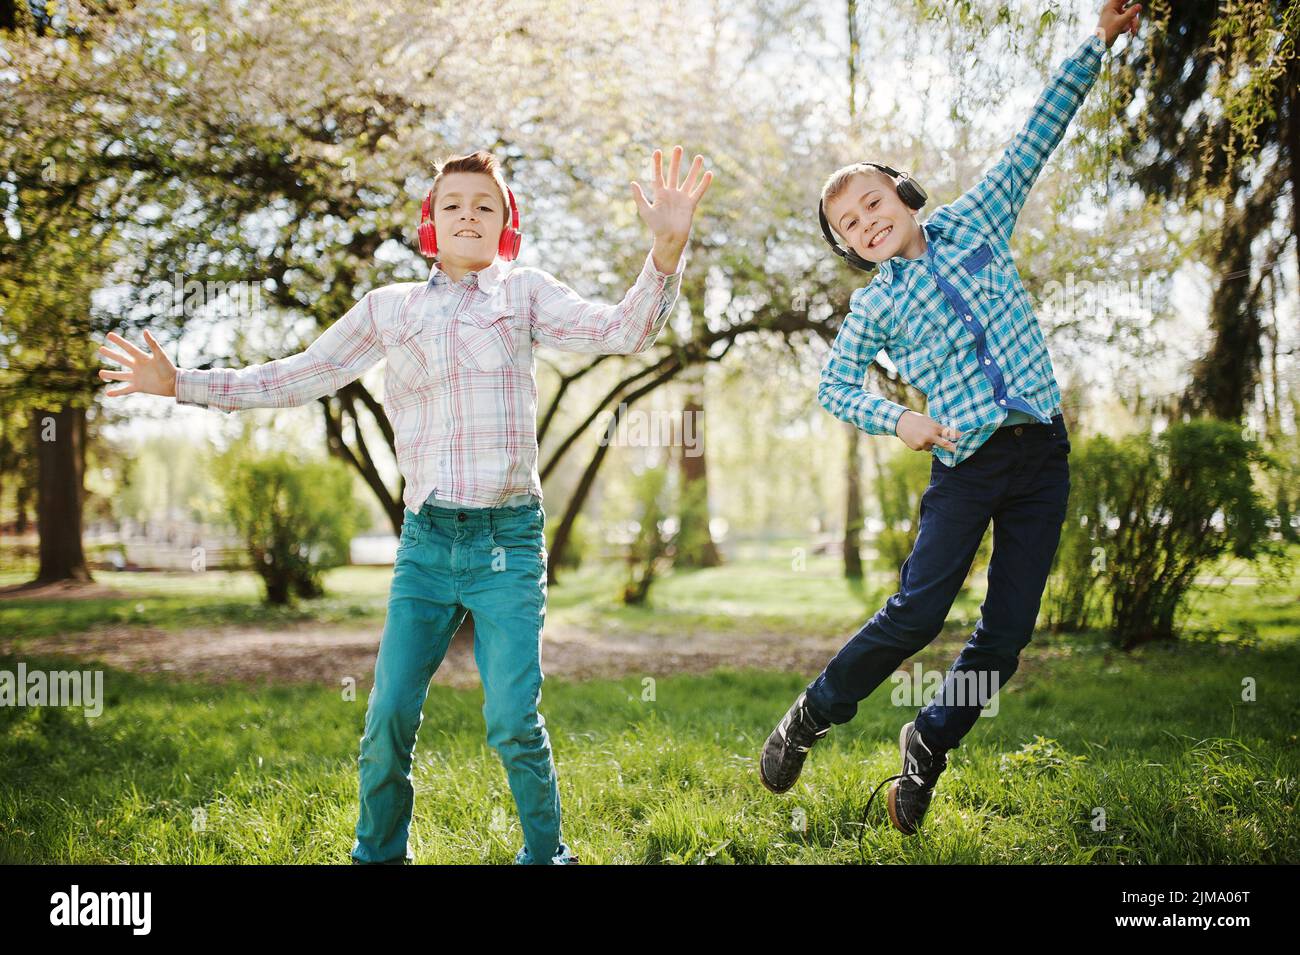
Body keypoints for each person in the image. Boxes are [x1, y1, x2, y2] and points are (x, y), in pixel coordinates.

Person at [98, 145, 713, 864]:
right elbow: (298, 375)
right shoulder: (389, 310)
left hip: (507, 541)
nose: (468, 215)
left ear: (506, 226)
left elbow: (620, 331)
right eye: (452, 204)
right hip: (426, 544)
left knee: (513, 719)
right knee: (387, 714)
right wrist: (182, 384)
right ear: (430, 222)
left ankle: (547, 855)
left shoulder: (526, 295)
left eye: (486, 205)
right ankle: (380, 854)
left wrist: (665, 251)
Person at [759, 1, 1142, 837]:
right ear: (851, 249)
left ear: (900, 189)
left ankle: (928, 745)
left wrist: (1097, 44)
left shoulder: (978, 220)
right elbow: (834, 385)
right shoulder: (875, 308)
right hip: (965, 467)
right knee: (918, 612)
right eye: (850, 227)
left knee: (1004, 636)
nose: (868, 222)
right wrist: (902, 421)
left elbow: (1036, 134)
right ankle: (813, 713)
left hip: (1043, 456)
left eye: (871, 202)